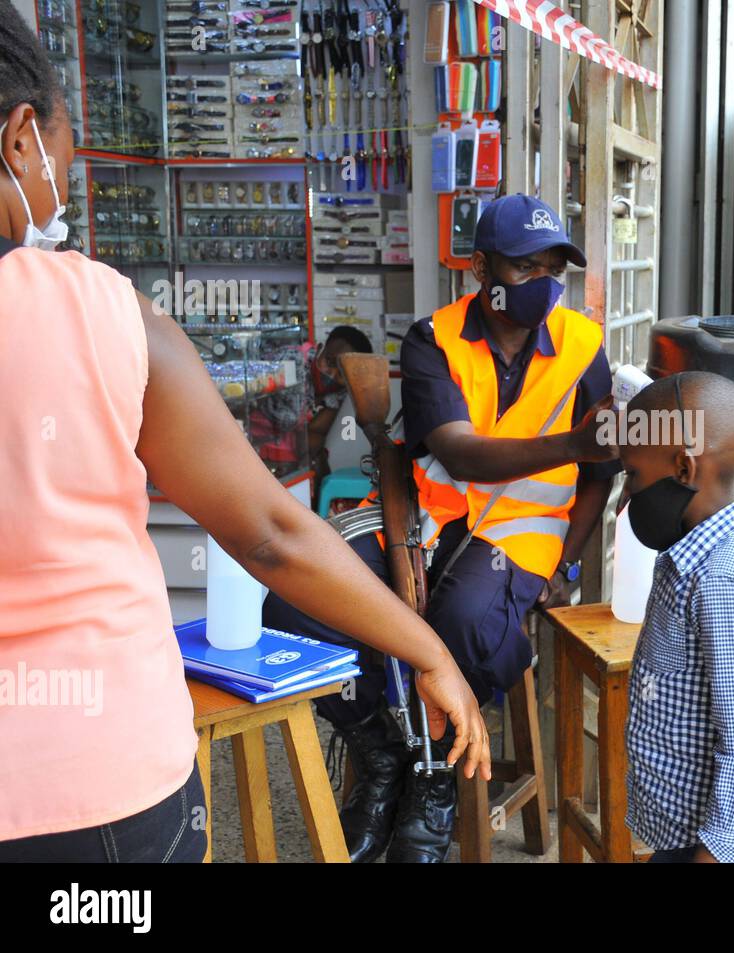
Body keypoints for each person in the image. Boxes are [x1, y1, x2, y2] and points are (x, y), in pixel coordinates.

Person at [0, 8, 490, 861]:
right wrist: (426, 650)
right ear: (21, 142)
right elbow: (267, 533)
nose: (64, 191)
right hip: (102, 786)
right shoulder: (103, 316)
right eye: (65, 159)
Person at [263, 194, 621, 864]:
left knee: (458, 621)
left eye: (554, 265)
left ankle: (433, 775)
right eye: (524, 266)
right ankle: (382, 752)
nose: (543, 278)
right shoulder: (434, 338)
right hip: (424, 522)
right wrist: (574, 443)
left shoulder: (584, 344)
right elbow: (457, 452)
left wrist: (568, 566)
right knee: (291, 602)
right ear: (480, 268)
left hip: (524, 533)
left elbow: (603, 473)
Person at [621, 372, 734, 863]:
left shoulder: (722, 580)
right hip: (684, 835)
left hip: (710, 846)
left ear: (683, 468)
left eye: (632, 474)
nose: (628, 494)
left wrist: (713, 855)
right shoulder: (688, 556)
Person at [305, 324, 373, 490]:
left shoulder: (342, 389)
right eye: (329, 361)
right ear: (320, 348)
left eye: (342, 372)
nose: (332, 374)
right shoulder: (294, 364)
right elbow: (291, 427)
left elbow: (316, 432)